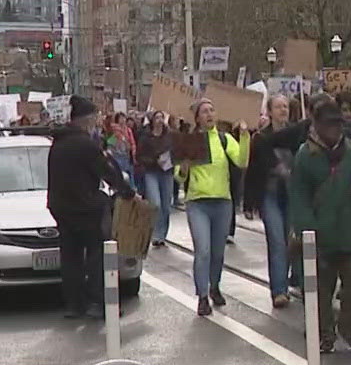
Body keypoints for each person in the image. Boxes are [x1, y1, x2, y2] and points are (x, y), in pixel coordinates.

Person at [288, 97, 351, 355]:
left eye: (337, 125)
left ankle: (349, 330)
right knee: (320, 290)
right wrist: (307, 231)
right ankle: (324, 333)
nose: (334, 130)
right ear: (316, 125)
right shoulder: (306, 157)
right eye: (328, 125)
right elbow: (299, 198)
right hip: (320, 236)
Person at [46, 97, 134, 320]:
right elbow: (108, 171)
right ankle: (99, 302)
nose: (96, 122)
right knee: (97, 255)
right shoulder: (86, 144)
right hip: (86, 207)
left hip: (61, 207)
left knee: (71, 257)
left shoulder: (58, 143)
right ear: (88, 120)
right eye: (95, 118)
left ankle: (74, 305)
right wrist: (127, 192)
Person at [176, 99, 251, 317]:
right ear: (197, 118)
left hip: (222, 202)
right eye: (204, 112)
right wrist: (184, 169)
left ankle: (214, 286)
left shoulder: (224, 139)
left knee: (218, 253)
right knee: (203, 251)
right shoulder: (189, 141)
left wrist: (245, 136)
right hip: (198, 202)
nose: (209, 114)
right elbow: (178, 176)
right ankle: (201, 296)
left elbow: (242, 161)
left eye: (212, 110)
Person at [243, 94, 301, 308]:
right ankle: (279, 290)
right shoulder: (260, 138)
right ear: (270, 111)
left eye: (285, 106)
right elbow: (251, 171)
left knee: (292, 240)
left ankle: (296, 278)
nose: (283, 110)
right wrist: (248, 203)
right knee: (277, 241)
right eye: (278, 107)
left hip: (292, 194)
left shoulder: (296, 135)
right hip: (270, 194)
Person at [134, 110, 176, 249]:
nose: (159, 120)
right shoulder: (145, 136)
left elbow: (176, 150)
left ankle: (162, 235)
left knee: (166, 205)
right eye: (157, 117)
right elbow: (140, 156)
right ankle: (156, 234)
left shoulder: (169, 135)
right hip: (151, 172)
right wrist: (154, 161)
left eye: (161, 118)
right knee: (156, 203)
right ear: (152, 120)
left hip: (167, 173)